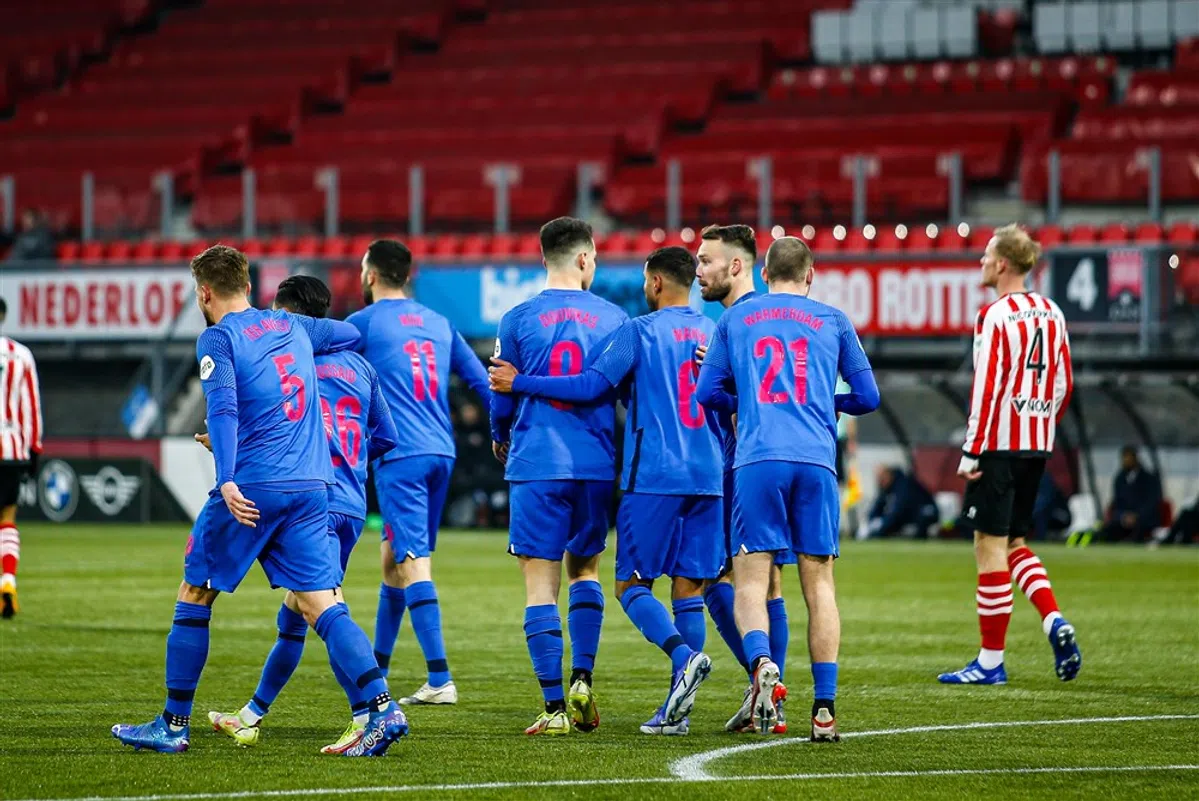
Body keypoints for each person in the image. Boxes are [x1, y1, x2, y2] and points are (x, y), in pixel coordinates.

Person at [112, 245, 407, 756]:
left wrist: (226, 478)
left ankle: (174, 724)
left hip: (255, 486)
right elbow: (352, 333)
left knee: (195, 591)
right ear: (248, 285)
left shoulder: (218, 337)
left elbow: (222, 407)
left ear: (204, 292)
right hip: (315, 488)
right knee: (321, 605)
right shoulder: (293, 328)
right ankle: (383, 707)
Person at [490, 246, 720, 736]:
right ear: (585, 259)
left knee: (561, 586)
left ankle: (556, 707)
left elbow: (593, 384)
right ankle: (595, 679)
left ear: (655, 282)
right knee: (654, 582)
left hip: (584, 466)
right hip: (676, 471)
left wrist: (505, 413)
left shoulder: (628, 328)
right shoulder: (710, 332)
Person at [696, 236, 880, 741]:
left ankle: (761, 666)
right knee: (819, 587)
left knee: (751, 582)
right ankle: (824, 711)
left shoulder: (736, 320)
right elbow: (868, 395)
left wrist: (749, 400)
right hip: (816, 462)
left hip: (757, 459)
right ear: (810, 275)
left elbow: (706, 391)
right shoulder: (834, 321)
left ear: (766, 273)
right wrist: (829, 403)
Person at [206, 275, 400, 755]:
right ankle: (250, 716)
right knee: (297, 612)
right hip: (351, 503)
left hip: (309, 495)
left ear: (288, 316)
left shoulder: (290, 364)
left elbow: (264, 423)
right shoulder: (360, 368)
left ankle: (369, 714)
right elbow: (387, 437)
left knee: (323, 609)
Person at [490, 216, 628, 735]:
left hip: (536, 461)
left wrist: (500, 433)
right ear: (586, 259)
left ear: (544, 258)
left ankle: (552, 710)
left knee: (539, 587)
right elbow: (609, 389)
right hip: (594, 463)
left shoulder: (517, 317)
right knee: (585, 571)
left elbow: (499, 390)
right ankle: (583, 679)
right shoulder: (616, 319)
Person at [349, 239, 492, 707]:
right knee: (393, 560)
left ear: (370, 276)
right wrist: (508, 428)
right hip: (441, 453)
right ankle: (377, 670)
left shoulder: (363, 324)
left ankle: (439, 678)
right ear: (407, 275)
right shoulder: (440, 323)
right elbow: (481, 383)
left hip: (400, 456)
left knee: (411, 562)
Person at [938, 224, 1081, 687]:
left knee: (988, 546)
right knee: (1017, 543)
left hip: (997, 444)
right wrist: (1040, 422)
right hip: (1036, 442)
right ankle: (1053, 619)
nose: (980, 261)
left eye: (985, 255)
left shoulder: (995, 315)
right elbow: (1063, 384)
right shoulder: (1052, 312)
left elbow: (988, 386)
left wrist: (970, 450)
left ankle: (990, 662)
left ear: (1002, 263)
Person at [693, 224, 795, 734]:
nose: (698, 270)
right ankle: (769, 697)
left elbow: (721, 402)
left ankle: (761, 678)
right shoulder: (774, 317)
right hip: (782, 460)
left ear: (737, 266)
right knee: (770, 582)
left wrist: (717, 381)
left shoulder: (739, 321)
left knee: (719, 578)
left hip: (745, 462)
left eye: (707, 261)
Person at [0, 296, 43, 619]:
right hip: (11, 448)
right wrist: (34, 450)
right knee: (7, 518)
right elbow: (31, 409)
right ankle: (8, 581)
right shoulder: (20, 355)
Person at [1098, 446, 1162, 543]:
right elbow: (1116, 503)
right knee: (1108, 530)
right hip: (1123, 519)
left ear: (1135, 458)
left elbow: (1152, 503)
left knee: (1138, 531)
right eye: (1124, 458)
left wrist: (1136, 516)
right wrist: (1123, 516)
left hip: (1143, 519)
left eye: (1128, 458)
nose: (1125, 461)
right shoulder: (1119, 479)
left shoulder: (1149, 479)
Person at [860, 465, 939, 539]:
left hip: (925, 511)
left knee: (921, 520)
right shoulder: (886, 488)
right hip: (909, 514)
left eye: (881, 478)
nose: (880, 482)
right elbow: (878, 506)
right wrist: (870, 523)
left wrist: (880, 529)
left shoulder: (903, 484)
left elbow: (897, 510)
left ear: (888, 475)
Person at [1031, 470, 1072, 542]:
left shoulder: (1043, 477)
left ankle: (1041, 539)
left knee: (1041, 512)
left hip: (1060, 515)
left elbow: (1044, 500)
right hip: (1043, 512)